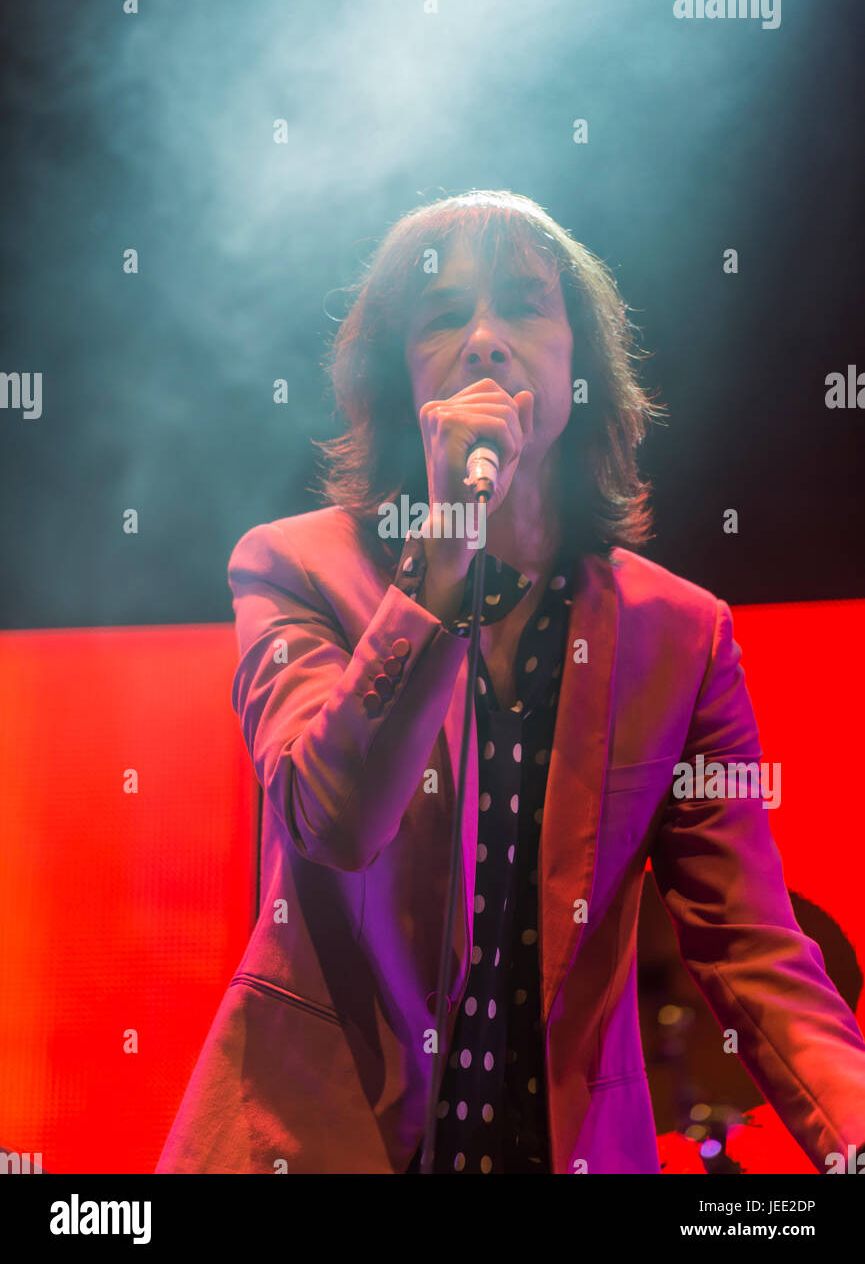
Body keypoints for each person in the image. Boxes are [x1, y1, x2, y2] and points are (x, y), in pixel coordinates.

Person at [155, 189, 865, 1174]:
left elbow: (753, 945)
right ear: (397, 376)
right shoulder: (292, 567)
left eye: (525, 305)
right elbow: (338, 819)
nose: (485, 339)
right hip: (310, 1142)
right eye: (443, 316)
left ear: (581, 365)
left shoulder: (680, 633)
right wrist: (447, 548)